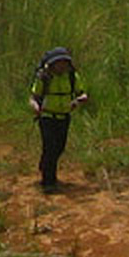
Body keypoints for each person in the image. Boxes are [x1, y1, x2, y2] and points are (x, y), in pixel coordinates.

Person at [29, 46, 86, 192]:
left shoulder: (72, 77)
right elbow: (34, 97)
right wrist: (36, 107)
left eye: (64, 63)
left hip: (64, 117)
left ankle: (45, 165)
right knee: (50, 147)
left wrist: (78, 101)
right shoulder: (44, 77)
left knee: (59, 147)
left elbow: (82, 94)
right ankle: (49, 181)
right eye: (59, 63)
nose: (62, 66)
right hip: (47, 117)